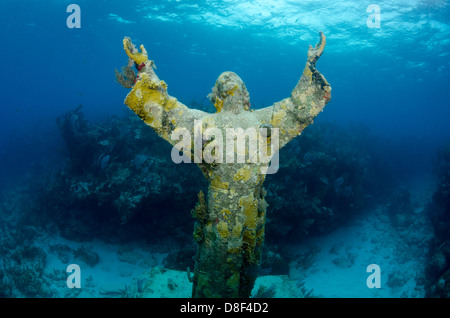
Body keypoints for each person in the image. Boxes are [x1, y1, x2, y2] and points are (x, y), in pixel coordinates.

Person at [116, 32, 331, 298]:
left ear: (217, 97)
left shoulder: (203, 125)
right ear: (245, 96)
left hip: (220, 217)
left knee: (215, 277)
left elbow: (165, 111)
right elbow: (300, 107)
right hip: (253, 213)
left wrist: (143, 69)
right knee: (246, 272)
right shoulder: (266, 120)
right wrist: (310, 66)